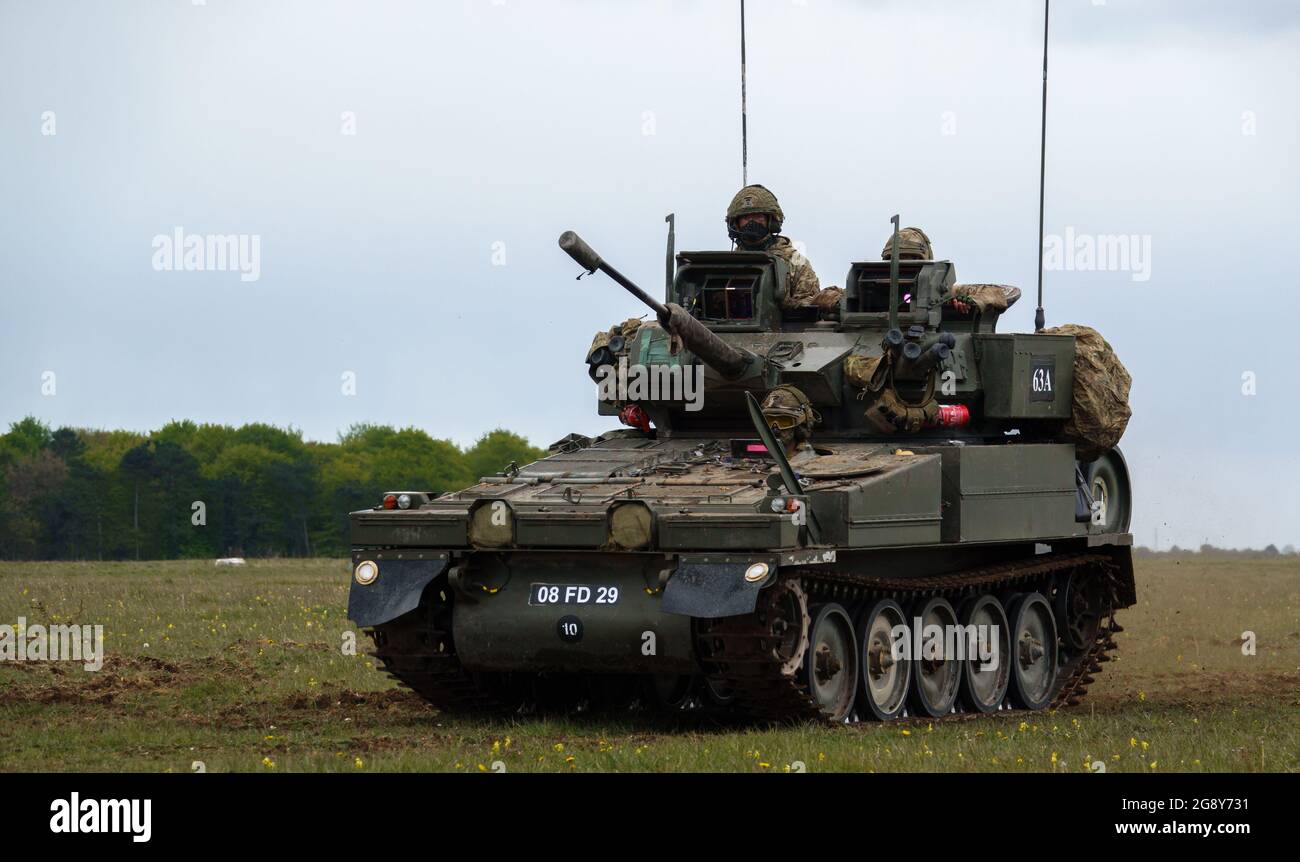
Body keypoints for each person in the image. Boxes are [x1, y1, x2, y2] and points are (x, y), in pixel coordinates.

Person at [727, 185, 842, 311]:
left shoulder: (794, 262)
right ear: (735, 224)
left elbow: (810, 303)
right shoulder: (727, 263)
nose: (752, 222)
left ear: (772, 221)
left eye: (758, 216)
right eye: (745, 217)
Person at [760, 384, 820, 465]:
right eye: (769, 421)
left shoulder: (812, 463)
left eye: (783, 421)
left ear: (801, 424)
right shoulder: (756, 459)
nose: (775, 429)